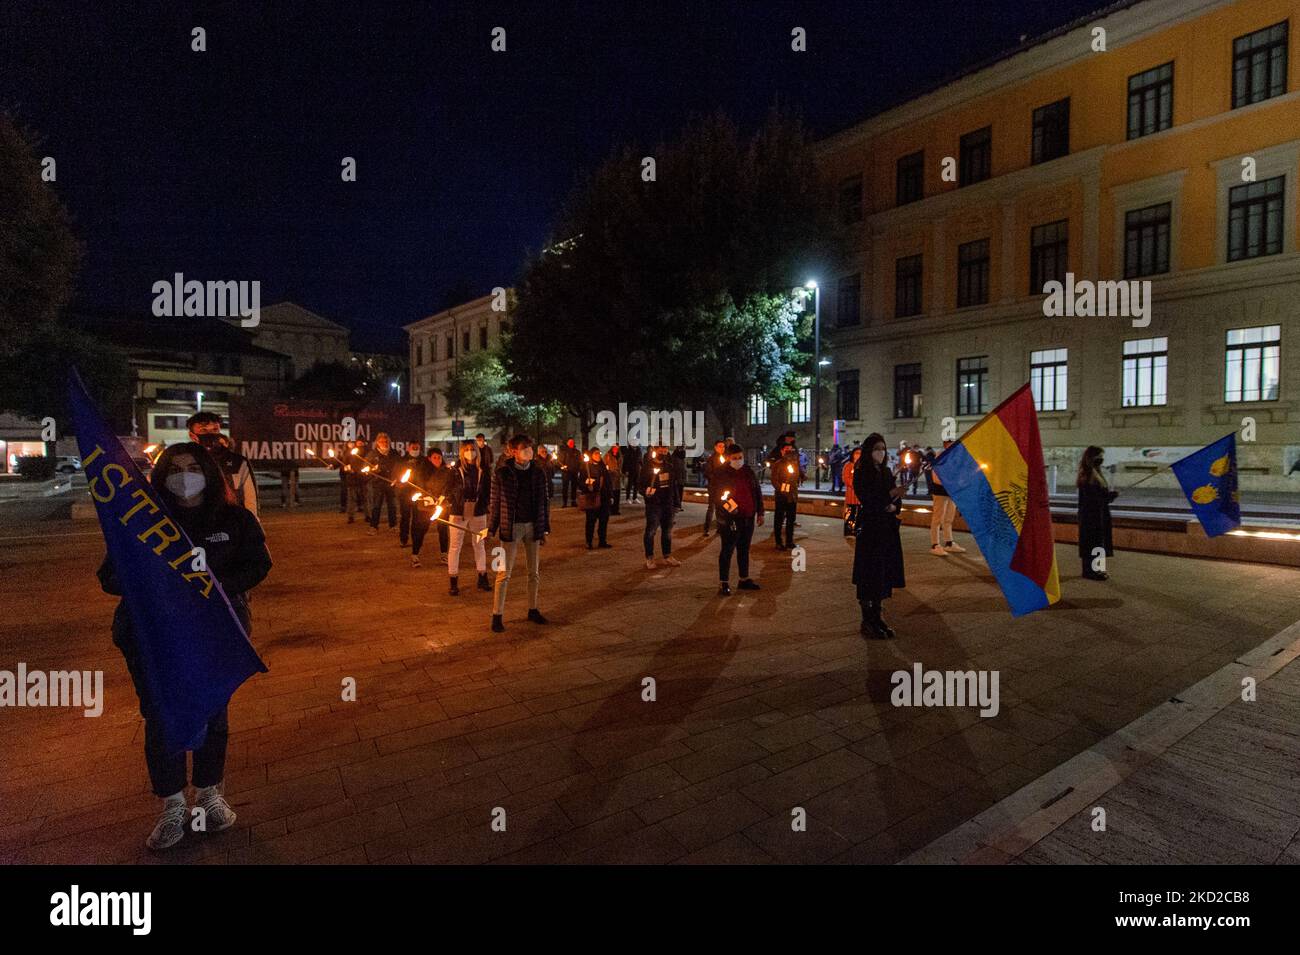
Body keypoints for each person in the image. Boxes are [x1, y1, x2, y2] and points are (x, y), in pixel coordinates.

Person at [98, 442, 271, 850]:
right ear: (160, 477)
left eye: (193, 467)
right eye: (174, 468)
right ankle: (173, 804)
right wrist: (155, 585)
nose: (184, 475)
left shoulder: (235, 519)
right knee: (162, 715)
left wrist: (212, 588)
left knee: (213, 711)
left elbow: (258, 565)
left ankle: (209, 793)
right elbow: (109, 576)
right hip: (155, 638)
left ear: (209, 473)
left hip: (213, 636)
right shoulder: (140, 522)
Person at [486, 434, 551, 632]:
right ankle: (497, 615)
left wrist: (544, 528)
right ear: (513, 451)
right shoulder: (502, 473)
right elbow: (495, 502)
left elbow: (544, 501)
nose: (529, 452)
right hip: (511, 527)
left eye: (530, 448)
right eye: (525, 448)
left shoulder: (538, 472)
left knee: (534, 572)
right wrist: (491, 528)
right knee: (503, 573)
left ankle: (533, 608)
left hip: (533, 526)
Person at [852, 433, 906, 638]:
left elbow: (893, 495)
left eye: (883, 449)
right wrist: (889, 498)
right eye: (877, 449)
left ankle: (878, 616)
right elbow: (868, 498)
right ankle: (868, 620)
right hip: (870, 530)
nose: (881, 453)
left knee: (883, 574)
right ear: (869, 451)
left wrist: (895, 504)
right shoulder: (862, 473)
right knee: (869, 574)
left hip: (887, 530)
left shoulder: (885, 472)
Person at [711, 443, 764, 596]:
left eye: (740, 457)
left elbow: (756, 491)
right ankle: (724, 582)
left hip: (748, 516)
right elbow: (717, 496)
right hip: (730, 519)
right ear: (728, 458)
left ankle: (744, 578)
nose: (738, 460)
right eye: (735, 458)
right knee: (727, 550)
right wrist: (728, 508)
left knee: (744, 549)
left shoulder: (748, 471)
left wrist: (760, 511)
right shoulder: (721, 473)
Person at [186, 411, 258, 517]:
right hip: (199, 524)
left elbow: (250, 498)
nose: (210, 434)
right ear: (192, 436)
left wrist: (253, 525)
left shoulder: (237, 462)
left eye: (215, 429)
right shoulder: (184, 461)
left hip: (234, 523)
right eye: (204, 430)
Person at [446, 440, 492, 593]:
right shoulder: (455, 470)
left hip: (478, 511)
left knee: (479, 544)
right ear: (462, 452)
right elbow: (449, 489)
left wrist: (485, 504)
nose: (470, 452)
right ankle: (453, 580)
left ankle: (482, 576)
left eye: (472, 449)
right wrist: (450, 500)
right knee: (455, 546)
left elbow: (487, 491)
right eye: (466, 449)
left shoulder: (483, 470)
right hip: (458, 511)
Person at [1077, 445, 1117, 581]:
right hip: (1091, 515)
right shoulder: (1087, 475)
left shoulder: (1096, 473)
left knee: (1099, 542)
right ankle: (1091, 571)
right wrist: (1108, 497)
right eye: (1098, 456)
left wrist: (1108, 496)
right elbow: (1092, 498)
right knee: (1093, 542)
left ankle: (1098, 569)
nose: (1101, 459)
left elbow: (1099, 496)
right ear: (1091, 457)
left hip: (1098, 514)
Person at [639, 443, 680, 569]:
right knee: (651, 531)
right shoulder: (647, 466)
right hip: (654, 505)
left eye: (666, 449)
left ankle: (667, 555)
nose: (663, 451)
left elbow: (674, 486)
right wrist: (646, 491)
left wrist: (676, 503)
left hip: (667, 503)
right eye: (661, 449)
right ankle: (649, 557)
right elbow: (640, 485)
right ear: (655, 450)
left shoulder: (669, 466)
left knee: (667, 532)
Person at [409, 447, 452, 568]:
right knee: (422, 529)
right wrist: (428, 496)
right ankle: (415, 555)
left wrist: (443, 496)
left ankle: (444, 554)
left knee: (443, 529)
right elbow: (420, 485)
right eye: (435, 458)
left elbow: (448, 485)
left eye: (439, 457)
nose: (438, 460)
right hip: (426, 504)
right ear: (429, 458)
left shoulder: (445, 470)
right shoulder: (422, 470)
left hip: (441, 504)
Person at [926, 440, 965, 556]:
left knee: (948, 519)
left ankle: (949, 543)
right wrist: (951, 483)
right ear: (945, 445)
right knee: (938, 518)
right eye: (950, 444)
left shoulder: (954, 459)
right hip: (940, 492)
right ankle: (935, 544)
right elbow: (936, 478)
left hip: (950, 492)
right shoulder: (940, 458)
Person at [578, 447, 614, 549]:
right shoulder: (586, 467)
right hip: (592, 498)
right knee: (591, 521)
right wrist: (587, 486)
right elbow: (580, 482)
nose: (598, 455)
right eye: (596, 453)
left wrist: (611, 495)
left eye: (599, 453)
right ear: (591, 455)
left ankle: (602, 541)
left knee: (603, 521)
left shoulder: (602, 467)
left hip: (604, 497)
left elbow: (608, 482)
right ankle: (589, 541)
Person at [364, 432, 399, 534]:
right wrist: (372, 469)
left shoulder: (394, 453)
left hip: (391, 483)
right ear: (377, 443)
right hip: (378, 483)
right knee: (376, 505)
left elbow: (399, 466)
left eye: (386, 441)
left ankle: (393, 526)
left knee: (392, 505)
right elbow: (366, 467)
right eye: (381, 441)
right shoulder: (372, 454)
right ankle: (374, 526)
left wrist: (396, 477)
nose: (384, 443)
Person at [772, 443, 803, 551]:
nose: (789, 453)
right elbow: (774, 480)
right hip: (781, 496)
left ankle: (789, 541)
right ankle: (778, 542)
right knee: (779, 519)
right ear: (782, 452)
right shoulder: (778, 464)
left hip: (792, 495)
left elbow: (798, 476)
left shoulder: (795, 464)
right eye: (787, 450)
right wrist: (782, 489)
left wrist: (801, 476)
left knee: (791, 519)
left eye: (791, 450)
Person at [397, 441, 423, 548]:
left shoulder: (423, 460)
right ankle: (403, 539)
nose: (415, 449)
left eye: (417, 447)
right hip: (405, 493)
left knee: (417, 519)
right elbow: (397, 473)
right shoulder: (402, 460)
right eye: (413, 447)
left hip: (418, 493)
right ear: (408, 448)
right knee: (405, 517)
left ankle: (415, 540)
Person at [700, 440, 727, 538]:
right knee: (711, 507)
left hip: (723, 487)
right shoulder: (711, 459)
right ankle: (706, 528)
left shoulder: (726, 458)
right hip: (713, 487)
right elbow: (707, 473)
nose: (722, 448)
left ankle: (720, 528)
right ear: (715, 447)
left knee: (721, 508)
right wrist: (716, 477)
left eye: (723, 446)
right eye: (720, 446)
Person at [842, 445, 862, 539]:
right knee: (850, 513)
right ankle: (849, 531)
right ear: (853, 455)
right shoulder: (848, 465)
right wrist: (855, 484)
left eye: (860, 453)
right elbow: (846, 478)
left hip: (860, 496)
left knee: (860, 514)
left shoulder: (863, 466)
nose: (858, 455)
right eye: (857, 453)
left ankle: (858, 530)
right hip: (851, 494)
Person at [558, 438, 581, 507]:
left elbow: (580, 461)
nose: (571, 443)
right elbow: (559, 461)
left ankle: (573, 501)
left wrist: (579, 468)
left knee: (574, 487)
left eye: (572, 442)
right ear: (567, 443)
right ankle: (564, 502)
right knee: (565, 487)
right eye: (570, 442)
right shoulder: (563, 451)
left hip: (574, 472)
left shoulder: (577, 452)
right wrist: (562, 467)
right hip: (566, 472)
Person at [605, 444, 623, 516]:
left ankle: (616, 509)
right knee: (610, 494)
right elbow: (605, 464)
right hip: (611, 477)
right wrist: (609, 471)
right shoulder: (608, 455)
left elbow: (621, 465)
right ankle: (609, 509)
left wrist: (620, 472)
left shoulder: (620, 456)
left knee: (617, 494)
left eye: (617, 448)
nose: (615, 449)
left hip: (617, 477)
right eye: (614, 448)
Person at [671, 446, 687, 510]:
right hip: (676, 478)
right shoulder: (674, 457)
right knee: (676, 493)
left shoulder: (682, 458)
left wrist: (684, 478)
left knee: (680, 492)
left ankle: (678, 505)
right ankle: (676, 505)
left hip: (681, 478)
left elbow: (683, 469)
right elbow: (674, 468)